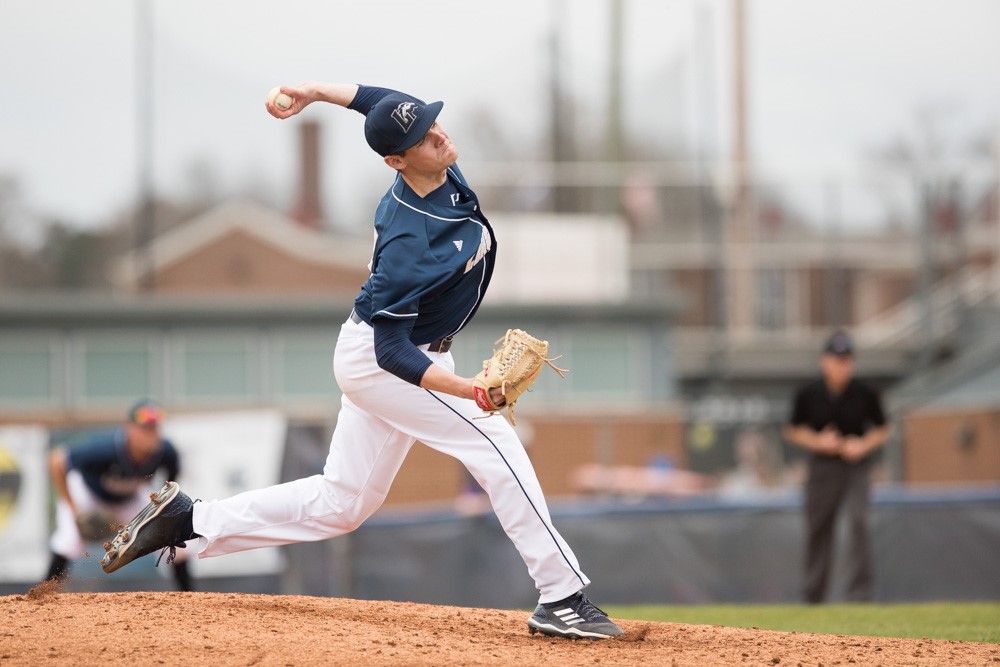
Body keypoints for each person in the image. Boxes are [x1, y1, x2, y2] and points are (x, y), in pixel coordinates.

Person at [100, 82, 622, 639]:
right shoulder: (407, 237)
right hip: (384, 360)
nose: (439, 134)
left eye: (433, 122)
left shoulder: (434, 162)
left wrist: (317, 92)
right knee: (494, 444)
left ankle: (190, 520)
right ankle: (561, 595)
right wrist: (464, 387)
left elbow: (379, 101)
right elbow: (389, 351)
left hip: (398, 352)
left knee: (343, 503)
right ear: (398, 160)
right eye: (423, 136)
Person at [784, 330, 890, 603]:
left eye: (846, 360)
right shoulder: (809, 392)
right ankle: (813, 594)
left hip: (856, 465)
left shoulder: (865, 392)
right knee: (819, 526)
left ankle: (859, 595)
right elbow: (793, 430)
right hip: (823, 466)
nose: (842, 365)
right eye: (836, 359)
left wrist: (863, 445)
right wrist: (819, 442)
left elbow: (882, 429)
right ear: (824, 361)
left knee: (858, 522)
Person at [44, 400, 193, 592]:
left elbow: (171, 484)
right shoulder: (107, 449)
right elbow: (56, 461)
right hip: (88, 494)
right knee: (69, 541)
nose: (152, 433)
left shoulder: (166, 452)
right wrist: (73, 509)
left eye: (155, 427)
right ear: (129, 429)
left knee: (173, 538)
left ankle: (190, 596)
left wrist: (165, 513)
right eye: (145, 428)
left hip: (129, 499)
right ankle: (43, 596)